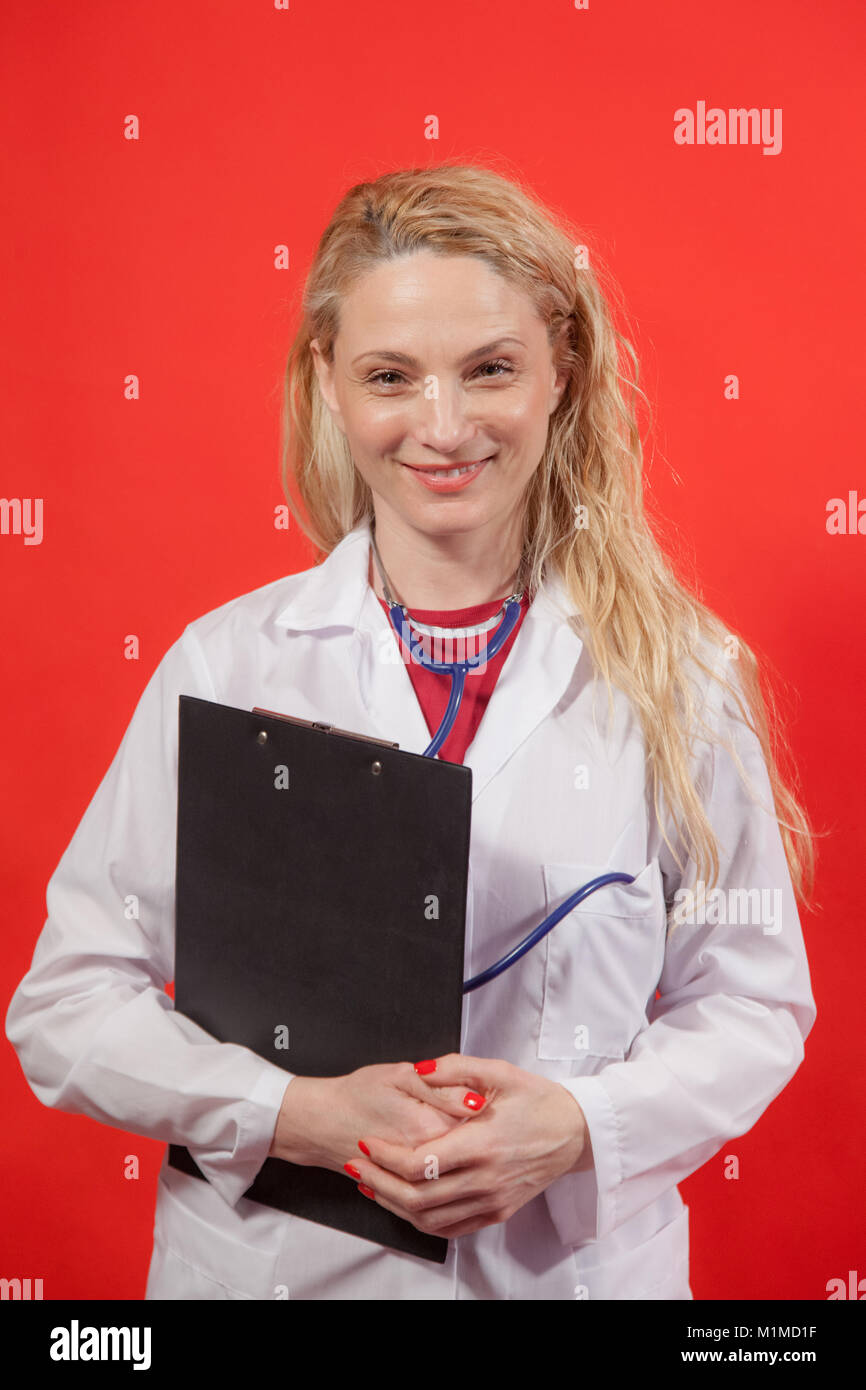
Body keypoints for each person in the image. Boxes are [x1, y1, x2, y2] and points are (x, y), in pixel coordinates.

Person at [6, 163, 817, 1301]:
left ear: (560, 376)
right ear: (329, 386)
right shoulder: (226, 668)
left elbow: (750, 999)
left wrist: (580, 1125)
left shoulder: (678, 676)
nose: (443, 428)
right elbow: (68, 1003)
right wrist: (294, 1114)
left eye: (490, 369)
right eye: (391, 376)